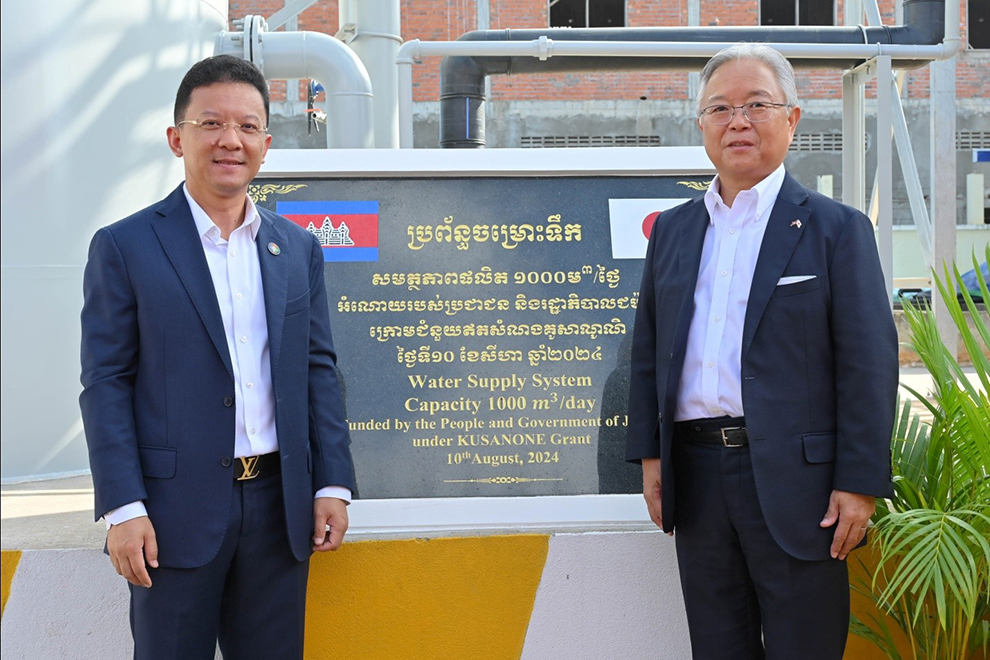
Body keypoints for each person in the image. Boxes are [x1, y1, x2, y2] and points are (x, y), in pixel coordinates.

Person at [626, 43, 897, 660]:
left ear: (793, 118)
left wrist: (859, 482)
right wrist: (651, 457)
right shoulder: (673, 229)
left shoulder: (835, 229)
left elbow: (868, 363)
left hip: (800, 487)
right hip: (696, 480)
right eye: (719, 108)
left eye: (756, 105)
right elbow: (649, 351)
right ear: (701, 124)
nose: (737, 121)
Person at [79, 54, 355, 660]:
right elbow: (106, 382)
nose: (230, 140)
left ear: (266, 143)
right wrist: (122, 507)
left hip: (280, 509)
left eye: (248, 126)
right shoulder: (125, 246)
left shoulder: (296, 247)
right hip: (171, 515)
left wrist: (332, 481)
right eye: (211, 124)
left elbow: (317, 369)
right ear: (178, 138)